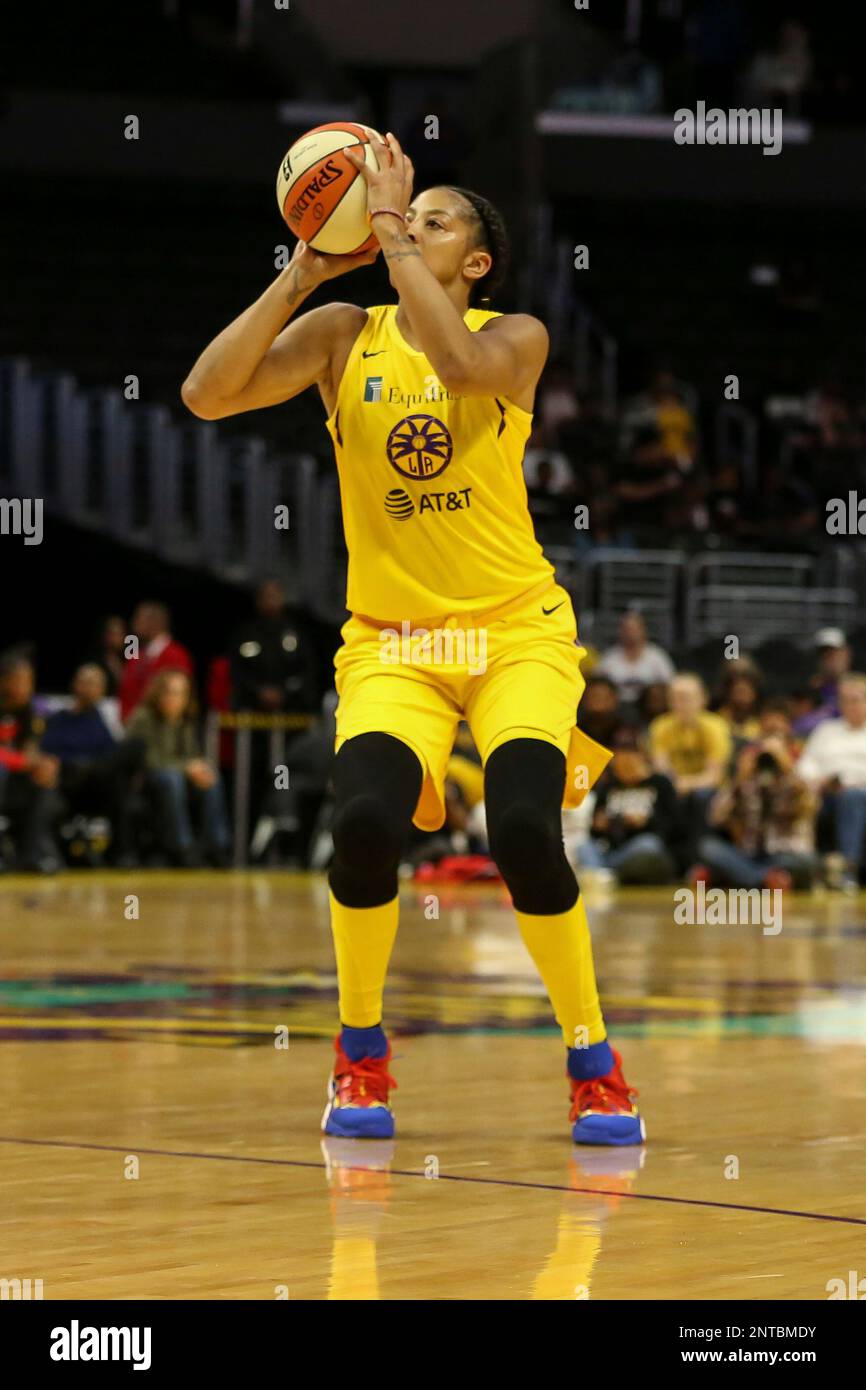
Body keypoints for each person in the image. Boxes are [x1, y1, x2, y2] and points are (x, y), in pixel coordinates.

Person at [182, 133, 644, 1146]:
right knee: (359, 825)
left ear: (474, 260)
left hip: (514, 634)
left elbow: (455, 361)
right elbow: (206, 395)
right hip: (394, 645)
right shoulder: (344, 334)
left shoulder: (513, 334)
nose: (410, 219)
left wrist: (388, 227)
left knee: (524, 831)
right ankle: (358, 1052)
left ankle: (592, 1058)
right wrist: (301, 269)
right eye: (408, 210)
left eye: (439, 219)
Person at [41, 664, 145, 865]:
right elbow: (49, 755)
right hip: (69, 784)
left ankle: (123, 855)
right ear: (75, 685)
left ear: (103, 691)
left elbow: (112, 755)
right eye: (87, 683)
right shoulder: (59, 719)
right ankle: (124, 853)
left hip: (98, 786)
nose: (91, 689)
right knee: (96, 770)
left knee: (131, 755)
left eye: (97, 685)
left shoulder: (100, 721)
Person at [126, 669, 230, 868]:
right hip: (145, 779)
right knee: (172, 778)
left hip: (179, 779)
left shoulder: (185, 721)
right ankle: (183, 847)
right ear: (158, 694)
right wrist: (186, 768)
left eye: (181, 694)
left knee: (211, 775)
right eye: (171, 692)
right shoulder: (143, 718)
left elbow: (192, 756)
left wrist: (199, 768)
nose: (175, 699)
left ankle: (216, 846)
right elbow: (146, 759)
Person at [695, 738, 817, 891]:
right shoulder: (745, 783)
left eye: (774, 754)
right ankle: (764, 879)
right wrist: (739, 779)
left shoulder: (794, 784)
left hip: (783, 854)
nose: (768, 759)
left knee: (806, 861)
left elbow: (810, 804)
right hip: (747, 853)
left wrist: (788, 768)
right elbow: (715, 817)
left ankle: (741, 878)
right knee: (708, 848)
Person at [580, 729, 678, 884]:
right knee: (584, 847)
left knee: (648, 845)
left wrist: (646, 822)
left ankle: (605, 876)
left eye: (628, 760)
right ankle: (606, 876)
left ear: (641, 758)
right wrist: (600, 825)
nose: (623, 765)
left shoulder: (660, 783)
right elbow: (594, 830)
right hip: (612, 850)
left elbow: (674, 826)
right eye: (619, 761)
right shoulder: (608, 787)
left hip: (643, 847)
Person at [649, 672, 731, 853]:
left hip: (706, 790)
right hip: (674, 787)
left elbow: (715, 776)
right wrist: (674, 785)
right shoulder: (660, 726)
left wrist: (683, 784)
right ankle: (662, 854)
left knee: (700, 796)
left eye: (686, 698)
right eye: (675, 698)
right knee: (658, 791)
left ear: (702, 699)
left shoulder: (716, 726)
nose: (680, 704)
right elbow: (661, 769)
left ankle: (699, 856)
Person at [797, 674, 866, 890]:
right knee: (799, 798)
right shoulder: (826, 730)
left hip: (858, 794)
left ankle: (848, 871)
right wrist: (817, 781)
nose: (849, 705)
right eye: (844, 700)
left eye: (855, 699)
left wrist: (847, 780)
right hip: (823, 794)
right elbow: (805, 765)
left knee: (851, 797)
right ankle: (807, 870)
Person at [0, 653, 61, 872]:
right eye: (19, 681)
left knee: (45, 781)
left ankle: (32, 854)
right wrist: (27, 762)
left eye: (29, 682)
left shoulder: (30, 712)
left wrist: (43, 765)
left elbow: (30, 751)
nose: (25, 688)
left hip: (14, 783)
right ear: (3, 681)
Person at [119, 602, 194, 722]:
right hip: (130, 724)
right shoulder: (136, 650)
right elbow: (126, 687)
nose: (134, 623)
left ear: (155, 623)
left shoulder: (177, 655)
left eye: (139, 618)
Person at [596, 611, 675, 707]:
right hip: (616, 709)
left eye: (634, 629)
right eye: (626, 629)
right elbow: (597, 685)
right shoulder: (609, 658)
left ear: (643, 630)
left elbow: (671, 685)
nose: (630, 633)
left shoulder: (657, 657)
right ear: (620, 631)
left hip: (648, 709)